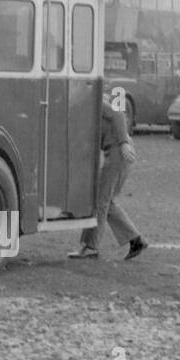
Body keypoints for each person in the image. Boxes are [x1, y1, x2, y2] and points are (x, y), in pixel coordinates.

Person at [69, 92, 148, 260]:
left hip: (118, 154)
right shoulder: (93, 103)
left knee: (101, 201)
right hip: (116, 154)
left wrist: (123, 142)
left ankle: (91, 247)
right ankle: (135, 240)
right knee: (106, 201)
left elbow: (118, 114)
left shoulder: (94, 102)